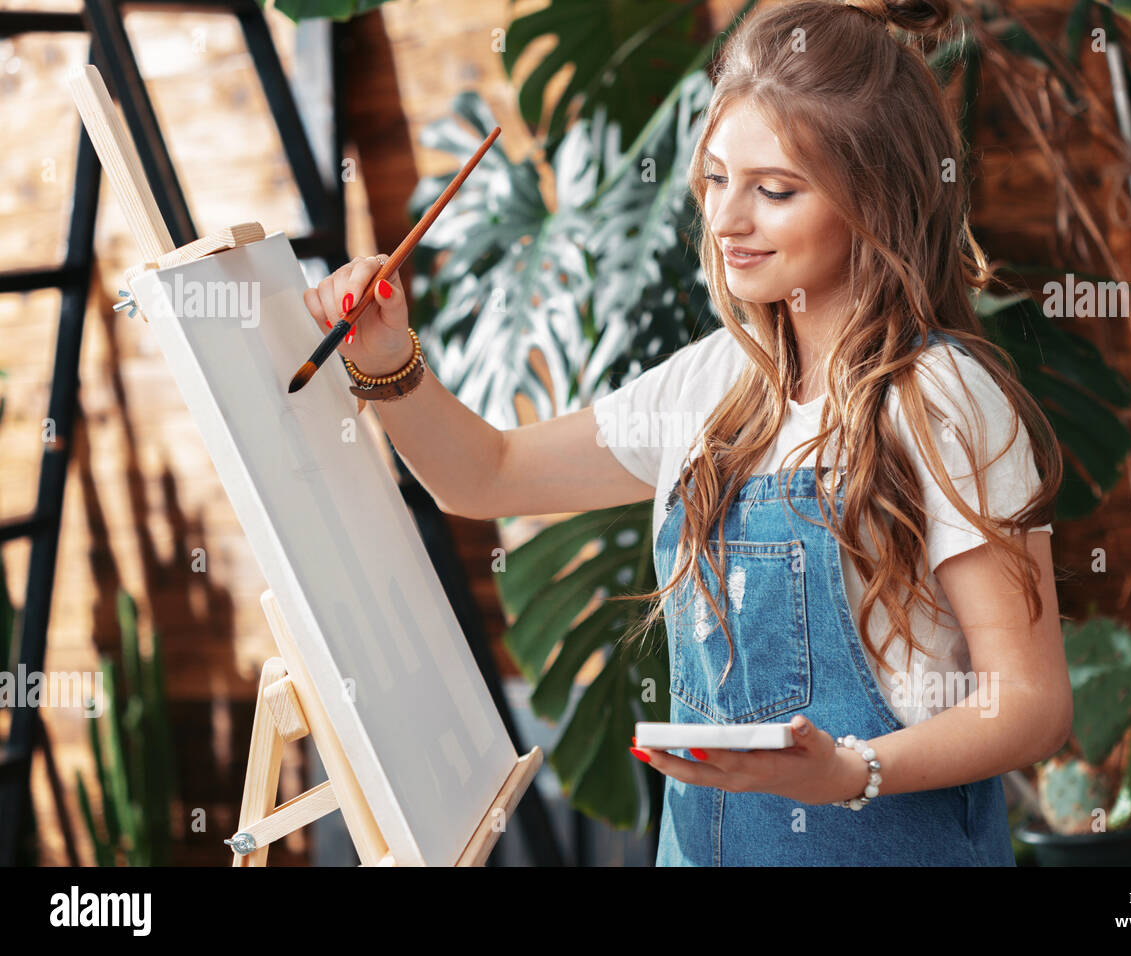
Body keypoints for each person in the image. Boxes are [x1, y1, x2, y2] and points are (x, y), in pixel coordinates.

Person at [303, 0, 1072, 867]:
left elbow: (1031, 701)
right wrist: (386, 354)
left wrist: (851, 771)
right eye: (714, 179)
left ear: (877, 196)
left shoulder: (939, 397)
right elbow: (487, 475)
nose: (728, 219)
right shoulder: (713, 382)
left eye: (774, 190)